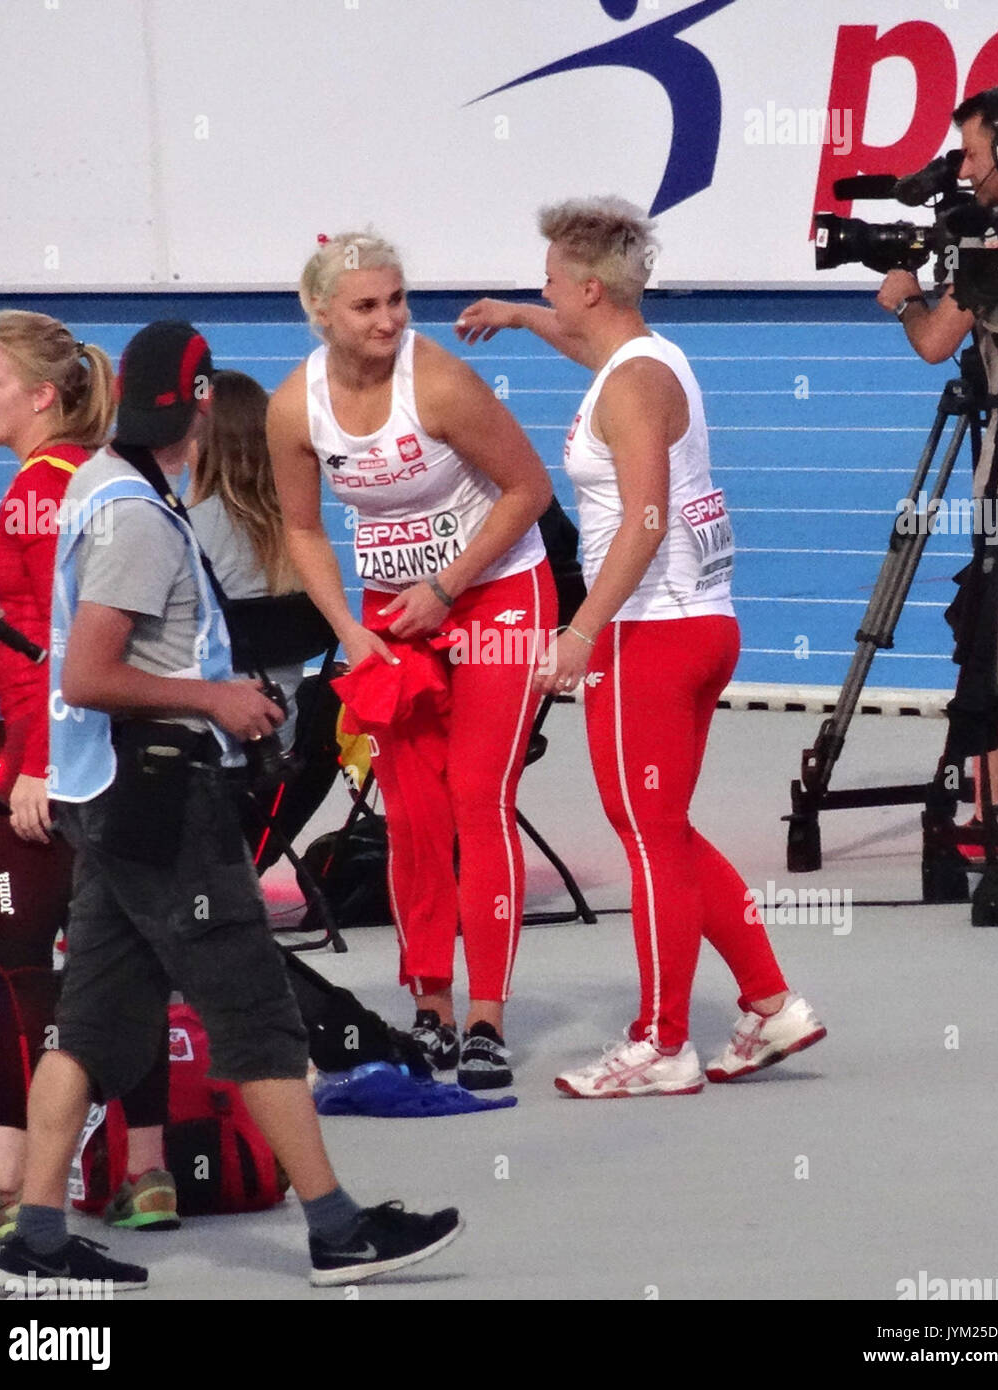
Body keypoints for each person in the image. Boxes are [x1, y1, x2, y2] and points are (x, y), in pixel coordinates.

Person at [0, 320, 461, 1295]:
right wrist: (222, 700)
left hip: (110, 799)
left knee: (86, 1028)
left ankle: (34, 1239)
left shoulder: (101, 487)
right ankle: (336, 1229)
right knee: (252, 1011)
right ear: (201, 402)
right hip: (162, 801)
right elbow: (91, 669)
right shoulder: (139, 516)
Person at [456, 197, 826, 1097]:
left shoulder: (628, 386)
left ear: (589, 285)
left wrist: (581, 631)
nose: (538, 288)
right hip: (698, 625)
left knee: (649, 839)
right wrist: (513, 318)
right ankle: (769, 1003)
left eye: (546, 279)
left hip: (647, 632)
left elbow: (647, 523)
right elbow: (578, 340)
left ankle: (661, 1043)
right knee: (661, 828)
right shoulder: (639, 356)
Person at [267, 233, 556, 1090]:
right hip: (390, 619)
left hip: (497, 593)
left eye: (397, 299)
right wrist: (351, 635)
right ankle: (430, 1004)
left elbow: (529, 489)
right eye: (366, 306)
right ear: (321, 313)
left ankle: (485, 1019)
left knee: (477, 797)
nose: (390, 318)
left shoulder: (436, 381)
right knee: (412, 812)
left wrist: (448, 582)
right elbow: (302, 529)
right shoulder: (295, 407)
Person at [0, 311, 176, 1247]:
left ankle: (11, 1184)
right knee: (124, 962)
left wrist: (39, 770)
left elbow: (75, 642)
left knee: (23, 971)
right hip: (89, 757)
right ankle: (147, 1171)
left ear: (43, 396)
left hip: (56, 770)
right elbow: (43, 622)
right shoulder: (74, 483)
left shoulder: (40, 492)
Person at [875, 83, 998, 858]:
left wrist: (906, 298)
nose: (969, 172)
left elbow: (935, 343)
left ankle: (994, 818)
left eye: (974, 155)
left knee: (990, 631)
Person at [188, 369, 305, 749]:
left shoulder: (184, 532)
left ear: (200, 442)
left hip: (200, 744)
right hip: (279, 747)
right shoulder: (303, 538)